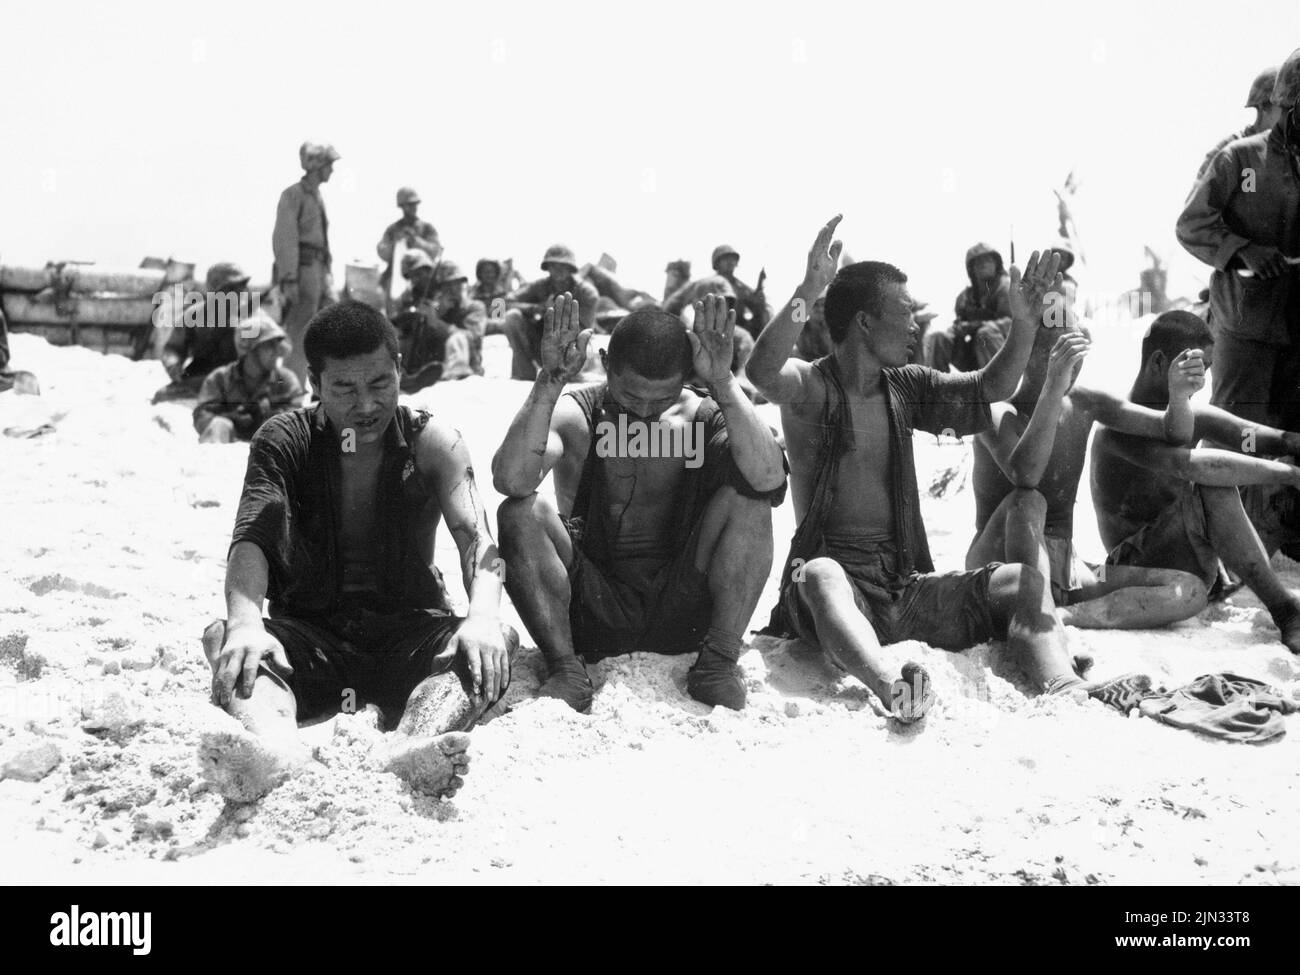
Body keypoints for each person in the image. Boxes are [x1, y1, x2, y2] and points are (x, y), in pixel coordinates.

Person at [747, 216, 1149, 724]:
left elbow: (990, 386)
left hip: (903, 586)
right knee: (822, 573)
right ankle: (891, 688)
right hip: (833, 587)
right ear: (865, 322)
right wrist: (808, 289)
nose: (916, 323)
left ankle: (1065, 685)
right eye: (905, 311)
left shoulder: (906, 385)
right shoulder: (812, 388)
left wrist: (1024, 322)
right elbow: (761, 371)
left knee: (1021, 581)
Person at [199, 300, 517, 802]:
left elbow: (478, 539)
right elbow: (252, 539)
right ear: (314, 381)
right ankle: (279, 753)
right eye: (344, 388)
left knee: (493, 640)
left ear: (398, 368)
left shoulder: (434, 442)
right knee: (226, 639)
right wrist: (245, 621)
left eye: (380, 385)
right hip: (312, 634)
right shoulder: (283, 439)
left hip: (408, 630)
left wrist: (480, 616)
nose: (365, 405)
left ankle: (413, 745)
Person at [492, 295, 787, 713]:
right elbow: (510, 479)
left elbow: (768, 478)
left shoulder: (702, 415)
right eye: (632, 397)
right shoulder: (580, 414)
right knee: (520, 512)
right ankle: (565, 667)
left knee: (752, 501)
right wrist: (551, 378)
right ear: (606, 362)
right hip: (593, 607)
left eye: (660, 399)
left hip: (684, 610)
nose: (646, 412)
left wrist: (722, 382)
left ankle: (717, 663)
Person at [967, 306, 1210, 628]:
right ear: (1024, 356)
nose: (1072, 367)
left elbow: (1174, 431)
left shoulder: (1084, 402)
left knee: (1188, 589)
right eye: (1060, 354)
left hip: (1066, 565)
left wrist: (1179, 397)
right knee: (1028, 502)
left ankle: (1067, 618)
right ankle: (1040, 620)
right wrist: (1053, 387)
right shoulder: (996, 412)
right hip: (998, 563)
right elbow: (1027, 475)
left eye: (1077, 353)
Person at [1090, 310, 1300, 655]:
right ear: (1160, 364)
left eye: (1208, 369)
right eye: (1195, 368)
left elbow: (1254, 438)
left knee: (1267, 467)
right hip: (1140, 568)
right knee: (1215, 480)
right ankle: (1286, 610)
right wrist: (1288, 473)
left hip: (1196, 561)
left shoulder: (1191, 416)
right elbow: (1194, 469)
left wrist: (1288, 446)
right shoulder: (1118, 424)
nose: (1203, 379)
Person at [1176, 48, 1300, 432]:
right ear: (1289, 104)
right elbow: (1192, 225)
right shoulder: (1240, 158)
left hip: (1295, 331)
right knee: (1237, 441)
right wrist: (1245, 251)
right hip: (1246, 330)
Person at [273, 141, 340, 384]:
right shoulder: (293, 195)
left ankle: (322, 386)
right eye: (329, 165)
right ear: (317, 165)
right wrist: (289, 277)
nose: (332, 170)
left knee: (329, 326)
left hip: (320, 270)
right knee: (301, 330)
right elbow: (285, 238)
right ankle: (291, 387)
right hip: (302, 270)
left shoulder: (317, 196)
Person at [193, 313, 304, 443]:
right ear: (251, 349)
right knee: (219, 425)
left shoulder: (285, 379)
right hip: (226, 445)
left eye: (277, 345)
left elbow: (296, 420)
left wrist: (267, 416)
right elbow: (201, 416)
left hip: (269, 447)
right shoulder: (221, 378)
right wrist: (231, 417)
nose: (276, 352)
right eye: (269, 345)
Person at [152, 262, 249, 401]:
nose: (238, 293)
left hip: (239, 380)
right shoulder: (195, 314)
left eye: (240, 288)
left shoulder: (251, 316)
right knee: (162, 396)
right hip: (201, 375)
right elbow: (173, 348)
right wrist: (173, 364)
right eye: (230, 289)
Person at [501, 245, 600, 380]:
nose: (558, 271)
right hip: (542, 344)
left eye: (563, 266)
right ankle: (524, 373)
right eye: (554, 266)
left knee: (570, 370)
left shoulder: (587, 292)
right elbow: (498, 306)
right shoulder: (539, 286)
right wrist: (535, 309)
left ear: (571, 269)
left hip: (571, 348)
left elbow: (583, 331)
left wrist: (555, 314)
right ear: (547, 267)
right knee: (512, 317)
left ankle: (570, 374)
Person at [392, 259, 486, 388]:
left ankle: (456, 375)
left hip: (468, 363)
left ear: (464, 283)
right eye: (447, 285)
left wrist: (438, 322)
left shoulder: (475, 307)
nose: (452, 289)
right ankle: (408, 374)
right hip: (438, 366)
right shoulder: (440, 308)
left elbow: (473, 336)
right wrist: (437, 313)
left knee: (457, 338)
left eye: (457, 283)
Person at [923, 242, 1012, 373]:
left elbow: (1013, 324)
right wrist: (958, 328)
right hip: (973, 355)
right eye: (978, 262)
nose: (983, 264)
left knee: (986, 333)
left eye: (988, 260)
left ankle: (998, 390)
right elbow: (957, 325)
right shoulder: (965, 297)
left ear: (996, 264)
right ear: (972, 268)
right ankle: (935, 389)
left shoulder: (1005, 288)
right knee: (938, 337)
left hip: (1006, 355)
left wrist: (977, 325)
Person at [1194, 66, 1283, 181]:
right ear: (1264, 107)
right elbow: (1203, 196)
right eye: (1284, 107)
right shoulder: (1229, 154)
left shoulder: (1292, 155)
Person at [376, 187, 441, 297]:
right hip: (397, 277)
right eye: (410, 204)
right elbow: (381, 251)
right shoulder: (393, 229)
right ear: (402, 206)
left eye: (415, 204)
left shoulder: (427, 228)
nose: (413, 207)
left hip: (423, 279)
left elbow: (435, 251)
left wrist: (416, 241)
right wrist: (395, 244)